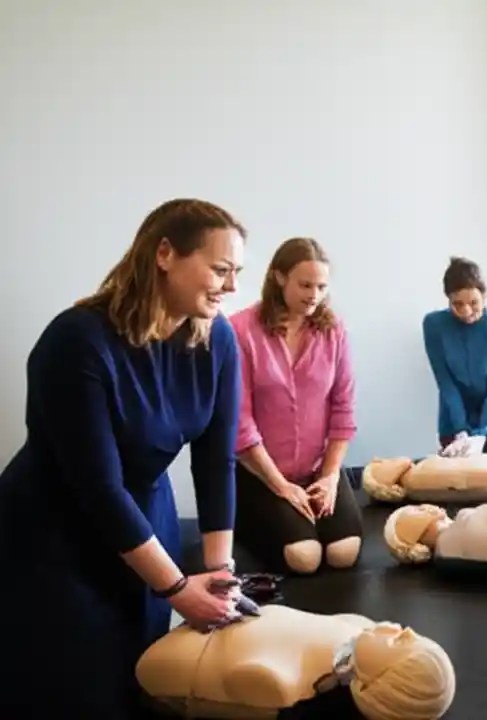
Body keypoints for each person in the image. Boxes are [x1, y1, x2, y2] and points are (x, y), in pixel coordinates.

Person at [0, 199, 248, 718]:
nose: (232, 289)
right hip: (55, 532)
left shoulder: (217, 339)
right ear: (164, 254)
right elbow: (97, 487)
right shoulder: (76, 340)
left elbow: (216, 462)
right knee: (75, 688)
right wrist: (177, 586)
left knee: (141, 673)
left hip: (144, 516)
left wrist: (220, 571)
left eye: (236, 273)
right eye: (221, 270)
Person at [230, 238, 363, 575]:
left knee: (343, 553)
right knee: (305, 558)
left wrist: (331, 476)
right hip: (262, 474)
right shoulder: (240, 331)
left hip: (317, 469)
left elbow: (343, 407)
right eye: (305, 285)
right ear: (278, 277)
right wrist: (281, 486)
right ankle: (246, 522)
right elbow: (240, 422)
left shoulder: (333, 330)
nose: (314, 295)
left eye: (321, 286)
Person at [422, 257, 487, 452]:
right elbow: (445, 382)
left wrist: (483, 432)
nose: (466, 311)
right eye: (457, 304)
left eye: (474, 303)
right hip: (453, 421)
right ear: (447, 298)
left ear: (485, 295)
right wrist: (460, 431)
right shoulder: (434, 325)